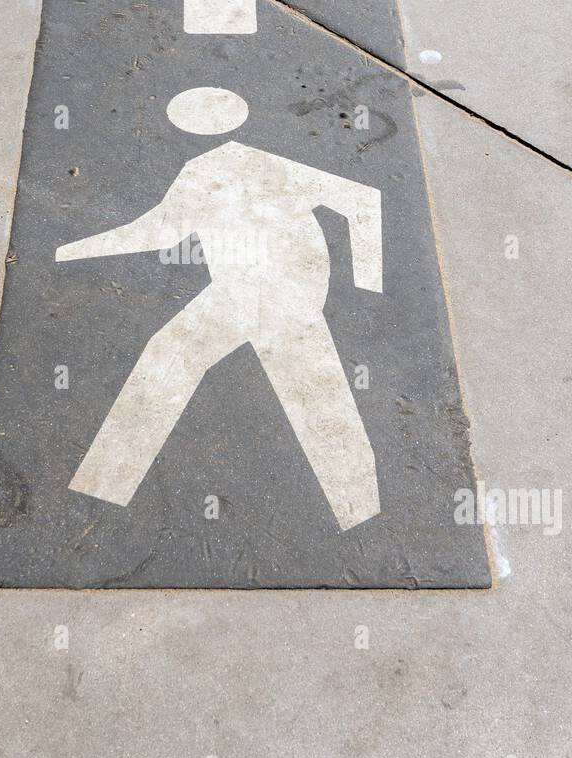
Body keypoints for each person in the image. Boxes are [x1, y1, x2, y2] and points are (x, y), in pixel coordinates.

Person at [56, 87, 383, 529]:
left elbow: (156, 233)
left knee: (190, 356)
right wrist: (74, 251)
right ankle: (360, 510)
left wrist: (368, 282)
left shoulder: (220, 166)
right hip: (263, 287)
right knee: (298, 382)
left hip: (273, 289)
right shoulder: (237, 163)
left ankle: (102, 488)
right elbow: (160, 232)